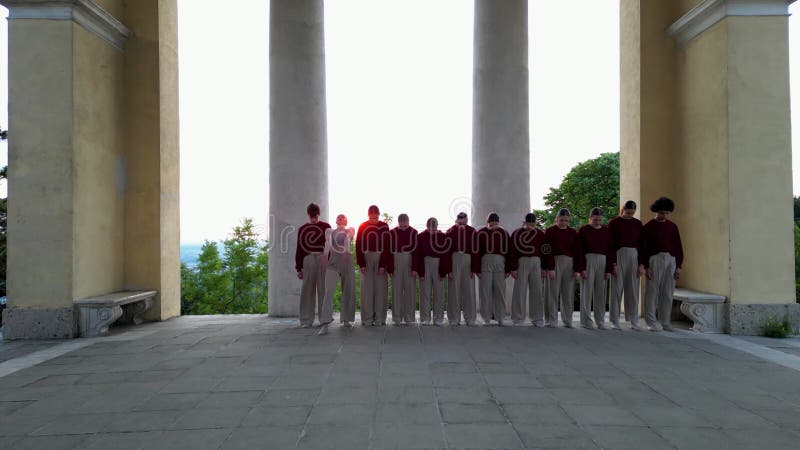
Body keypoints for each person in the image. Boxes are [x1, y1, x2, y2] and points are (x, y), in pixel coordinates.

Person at [642, 197, 684, 332]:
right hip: (655, 259)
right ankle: (651, 321)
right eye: (661, 212)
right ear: (656, 211)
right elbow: (644, 247)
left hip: (670, 259)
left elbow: (678, 246)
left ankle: (666, 322)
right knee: (652, 291)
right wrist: (646, 266)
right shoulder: (648, 226)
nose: (664, 215)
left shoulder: (672, 226)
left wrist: (678, 266)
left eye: (666, 213)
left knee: (667, 292)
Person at [608, 200, 646, 331]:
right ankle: (614, 320)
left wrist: (642, 264)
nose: (630, 215)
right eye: (628, 212)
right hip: (618, 256)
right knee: (616, 290)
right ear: (623, 209)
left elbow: (642, 245)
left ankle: (634, 320)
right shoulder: (613, 223)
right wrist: (613, 263)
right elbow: (610, 245)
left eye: (632, 213)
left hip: (634, 256)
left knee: (633, 291)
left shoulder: (638, 224)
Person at [544, 209, 583, 328]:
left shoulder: (572, 233)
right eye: (561, 220)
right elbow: (546, 250)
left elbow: (578, 252)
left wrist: (577, 269)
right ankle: (551, 320)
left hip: (569, 263)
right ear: (556, 219)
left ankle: (567, 320)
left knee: (568, 293)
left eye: (566, 220)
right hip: (554, 262)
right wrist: (549, 267)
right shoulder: (550, 231)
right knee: (552, 293)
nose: (563, 222)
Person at [295, 203, 331, 328]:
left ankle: (324, 319)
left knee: (323, 290)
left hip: (322, 258)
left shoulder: (326, 227)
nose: (313, 218)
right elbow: (299, 249)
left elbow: (329, 247)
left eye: (315, 216)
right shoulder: (302, 229)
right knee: (307, 290)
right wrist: (299, 268)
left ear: (319, 214)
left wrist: (330, 263)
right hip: (308, 259)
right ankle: (306, 320)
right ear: (308, 215)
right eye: (311, 216)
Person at [509, 213, 547, 327]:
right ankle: (518, 318)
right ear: (524, 222)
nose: (530, 226)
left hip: (536, 262)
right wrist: (513, 268)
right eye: (528, 223)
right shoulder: (517, 233)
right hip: (522, 262)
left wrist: (544, 267)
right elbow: (512, 252)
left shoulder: (540, 234)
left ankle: (537, 318)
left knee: (537, 291)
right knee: (519, 291)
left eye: (532, 224)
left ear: (535, 223)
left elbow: (545, 251)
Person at [578, 208, 613, 330]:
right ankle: (586, 321)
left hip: (603, 261)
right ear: (590, 218)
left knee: (600, 293)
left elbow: (610, 250)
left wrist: (608, 270)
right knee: (586, 292)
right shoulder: (583, 230)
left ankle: (600, 321)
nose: (597, 222)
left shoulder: (606, 231)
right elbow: (579, 251)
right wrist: (582, 268)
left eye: (599, 220)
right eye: (595, 220)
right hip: (588, 260)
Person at [355, 205, 391, 326]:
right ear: (368, 215)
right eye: (371, 218)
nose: (373, 220)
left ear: (379, 215)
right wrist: (361, 264)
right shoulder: (362, 226)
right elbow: (358, 245)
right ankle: (367, 319)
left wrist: (383, 264)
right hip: (366, 258)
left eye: (375, 218)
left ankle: (380, 318)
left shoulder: (384, 226)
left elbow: (387, 246)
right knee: (366, 290)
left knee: (381, 290)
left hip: (381, 257)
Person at [321, 214, 356, 334]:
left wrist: (346, 251)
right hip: (333, 261)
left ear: (346, 221)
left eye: (343, 217)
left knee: (348, 289)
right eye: (338, 217)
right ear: (336, 220)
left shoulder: (350, 229)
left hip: (347, 260)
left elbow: (347, 238)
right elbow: (328, 243)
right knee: (328, 291)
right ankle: (325, 323)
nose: (340, 218)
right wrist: (325, 255)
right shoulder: (329, 231)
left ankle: (346, 319)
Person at [445, 212, 480, 326]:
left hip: (468, 259)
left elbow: (476, 251)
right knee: (454, 290)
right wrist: (449, 269)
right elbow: (446, 252)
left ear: (467, 221)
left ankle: (470, 318)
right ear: (456, 220)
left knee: (469, 290)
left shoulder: (472, 231)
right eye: (460, 223)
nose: (462, 225)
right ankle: (454, 318)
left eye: (464, 223)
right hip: (454, 259)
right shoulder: (450, 231)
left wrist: (474, 268)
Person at [413, 217, 450, 325]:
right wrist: (421, 272)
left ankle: (438, 318)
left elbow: (445, 255)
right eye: (430, 228)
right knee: (425, 293)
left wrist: (443, 271)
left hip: (439, 264)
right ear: (427, 226)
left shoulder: (443, 237)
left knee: (439, 293)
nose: (432, 231)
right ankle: (425, 318)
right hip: (425, 264)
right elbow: (418, 256)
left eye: (434, 229)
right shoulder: (420, 237)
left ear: (437, 227)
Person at [477, 212, 510, 326]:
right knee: (485, 291)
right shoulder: (481, 233)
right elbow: (477, 252)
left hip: (500, 262)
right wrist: (477, 269)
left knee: (500, 290)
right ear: (487, 222)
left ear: (499, 222)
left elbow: (508, 252)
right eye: (491, 223)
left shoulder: (504, 233)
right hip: (485, 261)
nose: (493, 225)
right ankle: (486, 317)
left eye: (495, 223)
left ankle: (500, 316)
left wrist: (508, 269)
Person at [389, 214, 418, 325]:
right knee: (396, 291)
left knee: (410, 291)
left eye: (406, 225)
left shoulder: (414, 232)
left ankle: (409, 318)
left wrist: (415, 268)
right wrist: (391, 268)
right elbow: (389, 251)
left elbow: (416, 252)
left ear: (408, 222)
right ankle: (397, 318)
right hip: (396, 260)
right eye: (402, 225)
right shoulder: (392, 232)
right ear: (398, 222)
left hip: (409, 260)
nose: (404, 228)